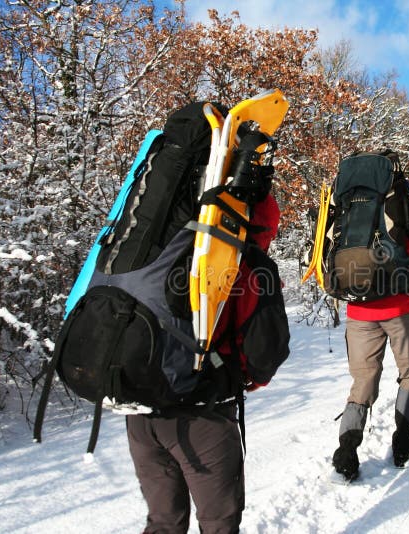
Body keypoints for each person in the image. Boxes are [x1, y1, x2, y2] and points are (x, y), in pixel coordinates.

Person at [126, 193, 290, 534]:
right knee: (218, 523)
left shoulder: (164, 249)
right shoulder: (248, 263)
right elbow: (264, 354)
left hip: (140, 412)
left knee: (162, 523)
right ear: (262, 227)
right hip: (202, 413)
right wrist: (251, 377)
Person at [331, 157, 409, 479]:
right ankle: (403, 442)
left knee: (362, 380)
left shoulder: (343, 198)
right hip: (401, 306)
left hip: (357, 307)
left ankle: (346, 453)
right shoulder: (399, 195)